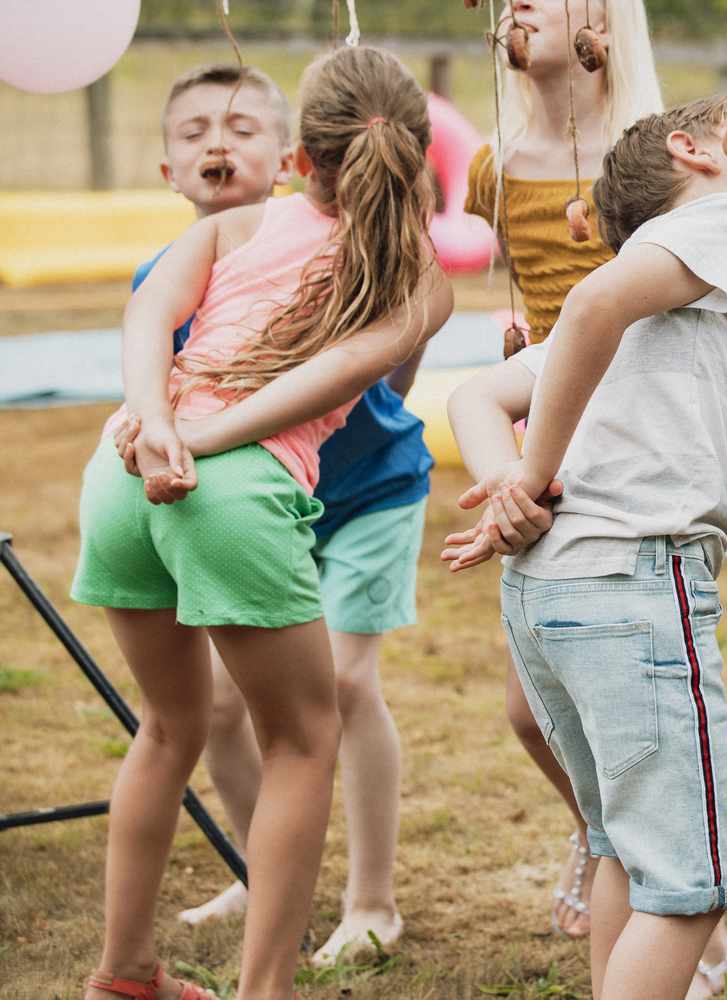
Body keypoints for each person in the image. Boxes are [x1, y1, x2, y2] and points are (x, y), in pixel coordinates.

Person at [72, 45, 452, 1000]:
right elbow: (317, 389)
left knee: (166, 725)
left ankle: (123, 972)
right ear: (414, 155)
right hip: (223, 492)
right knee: (302, 740)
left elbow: (148, 317)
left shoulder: (236, 226)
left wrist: (157, 422)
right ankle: (265, 993)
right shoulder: (421, 284)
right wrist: (194, 437)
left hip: (119, 471)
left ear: (296, 160)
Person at [443, 95, 727, 1000]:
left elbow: (472, 399)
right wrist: (527, 481)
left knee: (621, 842)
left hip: (547, 596)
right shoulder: (719, 223)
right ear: (694, 152)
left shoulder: (661, 285)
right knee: (688, 889)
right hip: (635, 581)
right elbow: (595, 297)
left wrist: (505, 486)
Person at [466, 4, 727, 988]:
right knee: (534, 712)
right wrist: (514, 453)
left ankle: (660, 889)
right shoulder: (495, 165)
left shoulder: (652, 148)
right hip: (547, 410)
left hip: (627, 438)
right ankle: (623, 845)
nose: (519, 9)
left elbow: (630, 298)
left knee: (605, 708)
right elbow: (538, 305)